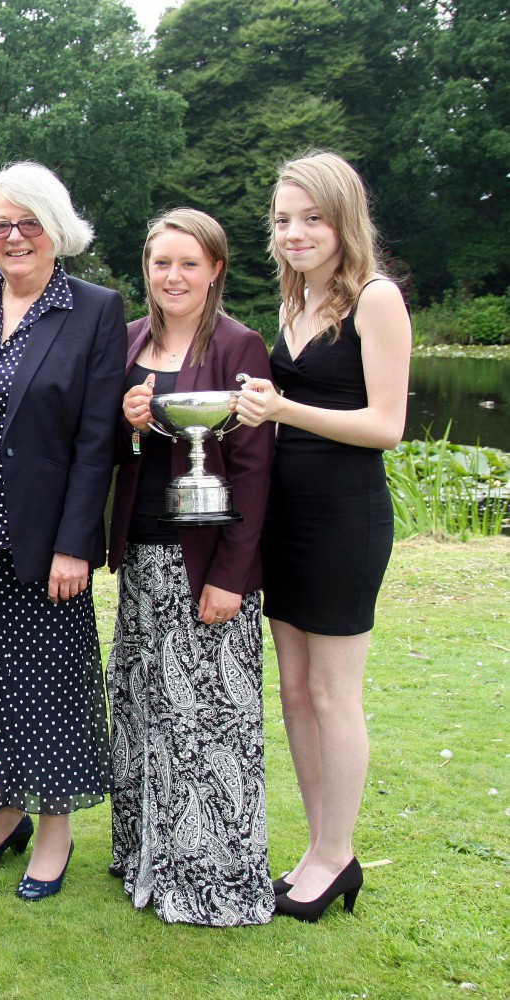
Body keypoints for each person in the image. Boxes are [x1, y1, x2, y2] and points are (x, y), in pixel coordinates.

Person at [0, 161, 123, 901]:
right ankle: (3, 814)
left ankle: (53, 829)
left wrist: (77, 543)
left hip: (47, 544)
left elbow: (97, 438)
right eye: (1, 224)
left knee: (49, 687)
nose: (13, 237)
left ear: (56, 229)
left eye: (28, 223)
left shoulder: (94, 309)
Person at [235, 150, 411, 921]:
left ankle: (339, 854)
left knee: (335, 695)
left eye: (311, 218)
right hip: (287, 519)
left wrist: (283, 411)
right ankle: (316, 848)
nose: (294, 233)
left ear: (344, 220)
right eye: (282, 221)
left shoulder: (377, 299)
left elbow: (386, 427)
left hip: (345, 520)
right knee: (297, 691)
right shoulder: (293, 302)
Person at [107, 208, 275, 925]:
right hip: (141, 559)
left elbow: (256, 469)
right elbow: (109, 455)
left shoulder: (240, 346)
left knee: (208, 726)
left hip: (205, 565)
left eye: (188, 263)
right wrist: (128, 422)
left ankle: (213, 879)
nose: (172, 277)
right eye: (159, 263)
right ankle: (145, 858)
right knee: (144, 713)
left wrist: (232, 576)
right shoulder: (127, 343)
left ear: (216, 271)